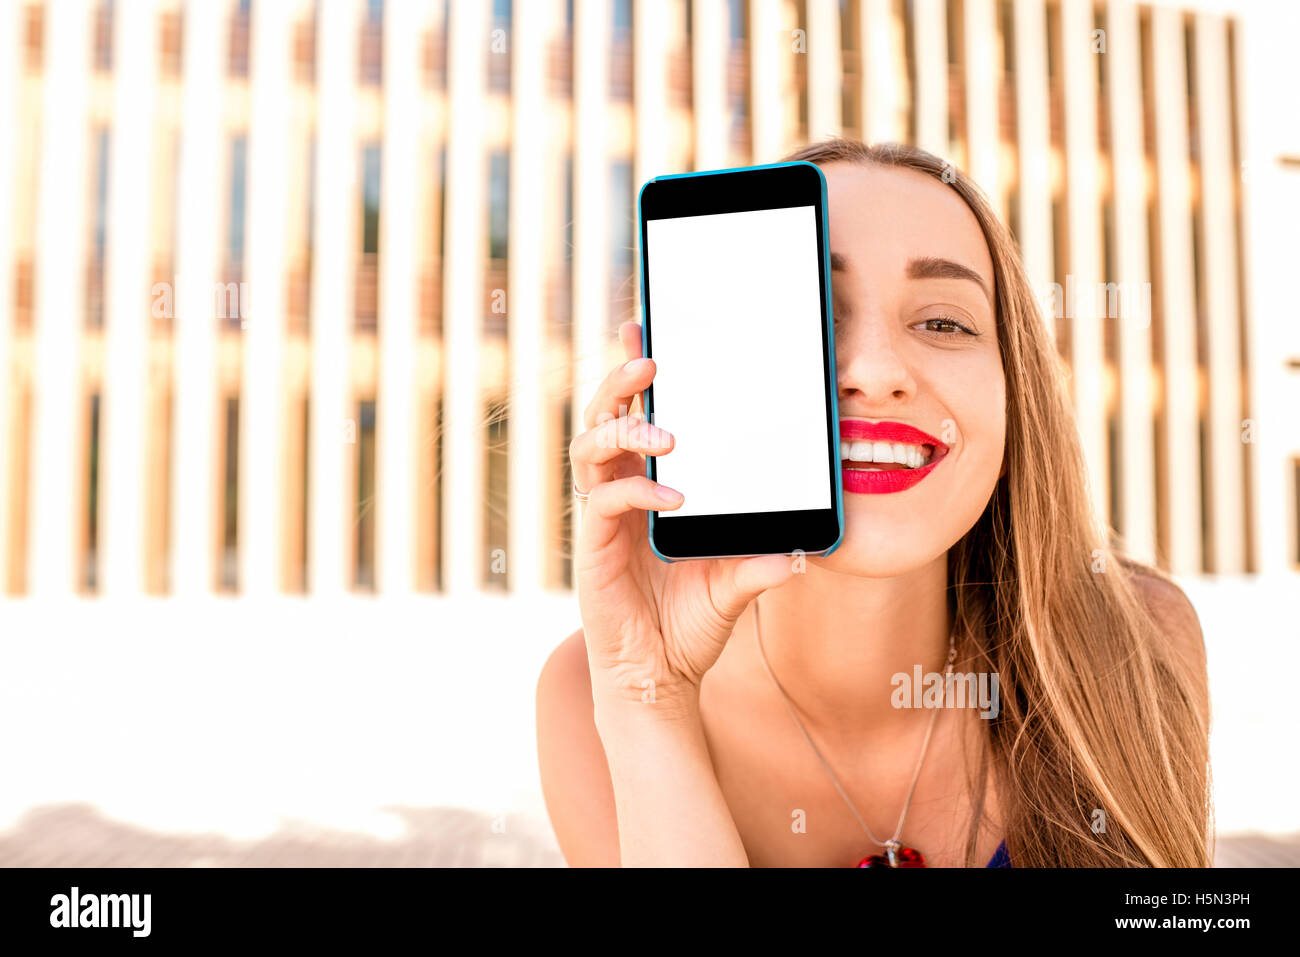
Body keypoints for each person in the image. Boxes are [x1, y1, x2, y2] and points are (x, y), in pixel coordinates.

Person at [536, 138, 1212, 868]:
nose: (875, 370)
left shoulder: (1136, 646)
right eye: (815, 312)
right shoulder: (595, 695)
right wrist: (650, 700)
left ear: (1016, 392)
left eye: (944, 322)